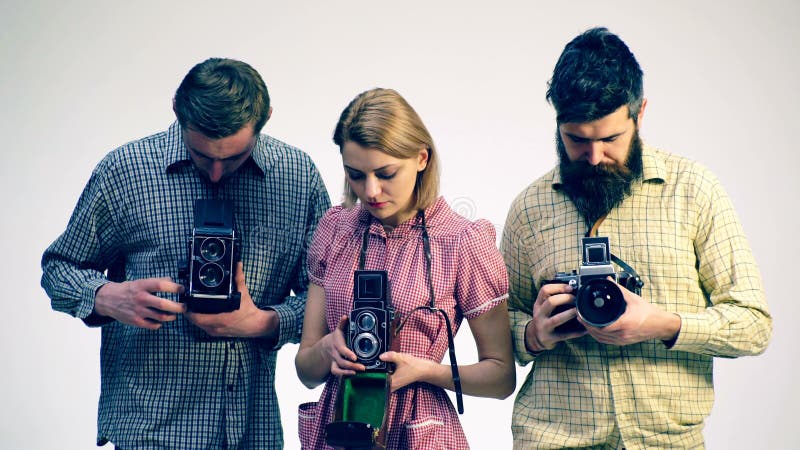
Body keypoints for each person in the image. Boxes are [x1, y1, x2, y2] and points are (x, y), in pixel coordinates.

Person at [501, 27, 772, 449]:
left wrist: (660, 324)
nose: (594, 157)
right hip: (553, 437)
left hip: (667, 440)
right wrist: (534, 333)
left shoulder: (693, 191)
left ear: (640, 113)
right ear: (557, 123)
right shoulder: (529, 208)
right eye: (576, 140)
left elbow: (753, 324)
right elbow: (499, 327)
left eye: (610, 139)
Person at [40, 58, 331, 449]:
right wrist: (108, 296)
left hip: (251, 431)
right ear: (177, 111)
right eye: (201, 155)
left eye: (233, 158)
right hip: (150, 430)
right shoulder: (124, 171)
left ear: (266, 120)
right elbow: (59, 268)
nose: (216, 173)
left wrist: (264, 322)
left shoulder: (297, 177)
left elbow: (327, 295)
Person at [294, 88, 515, 449]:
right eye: (355, 175)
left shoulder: (462, 241)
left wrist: (427, 371)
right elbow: (305, 371)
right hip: (342, 425)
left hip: (418, 429)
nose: (371, 191)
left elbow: (501, 377)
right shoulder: (334, 230)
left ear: (422, 158)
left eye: (386, 173)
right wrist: (327, 349)